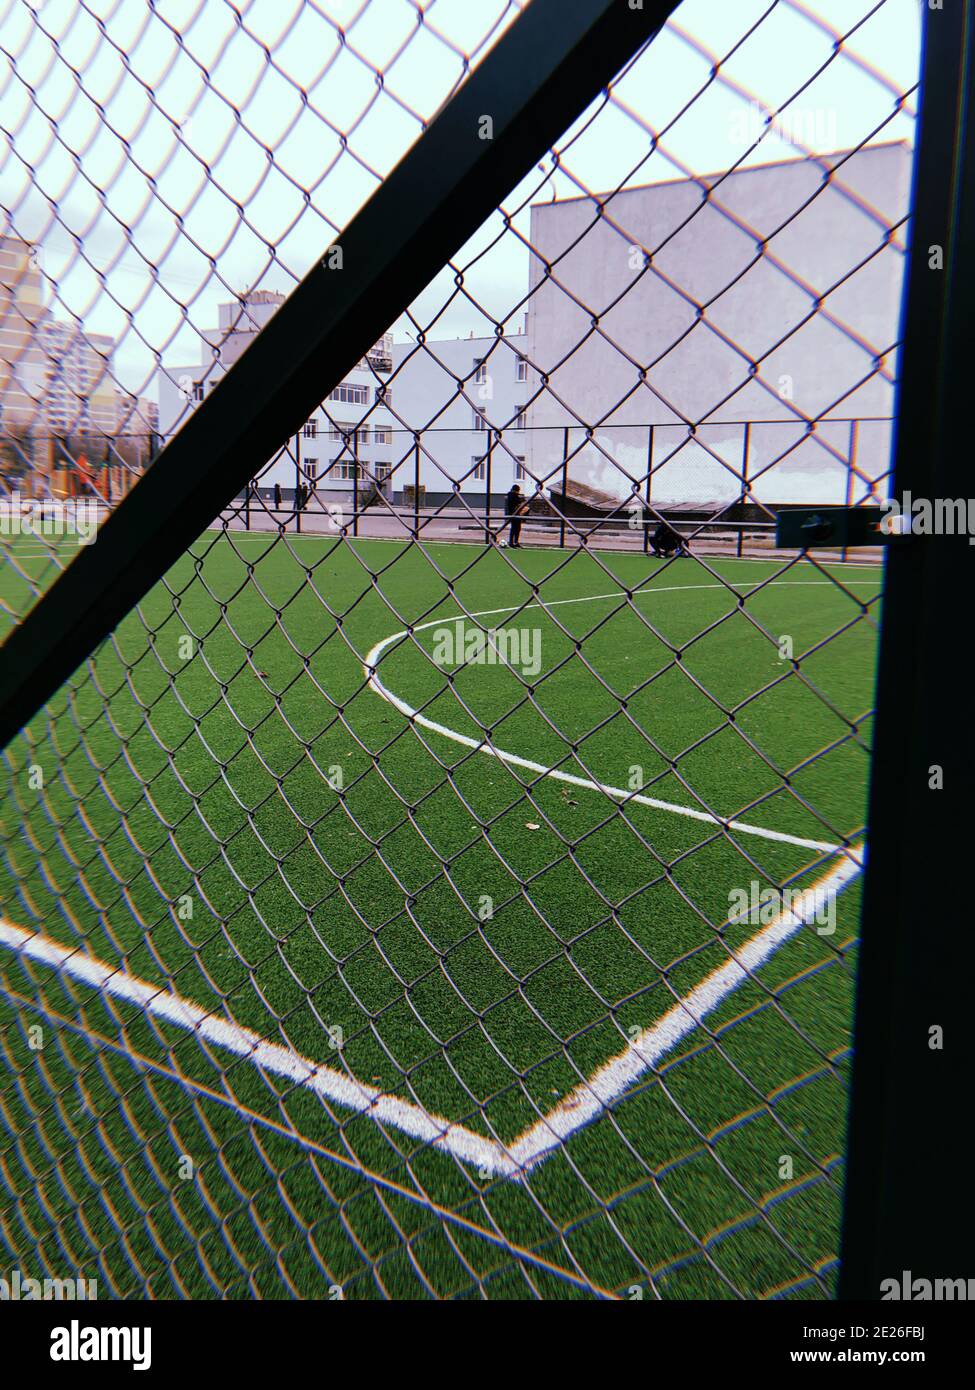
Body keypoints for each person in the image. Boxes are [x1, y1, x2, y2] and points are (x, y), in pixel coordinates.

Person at [505, 483, 529, 548]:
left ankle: (515, 542)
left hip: (515, 513)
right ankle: (512, 542)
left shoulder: (512, 495)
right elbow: (515, 503)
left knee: (517, 528)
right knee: (514, 528)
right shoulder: (512, 496)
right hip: (513, 513)